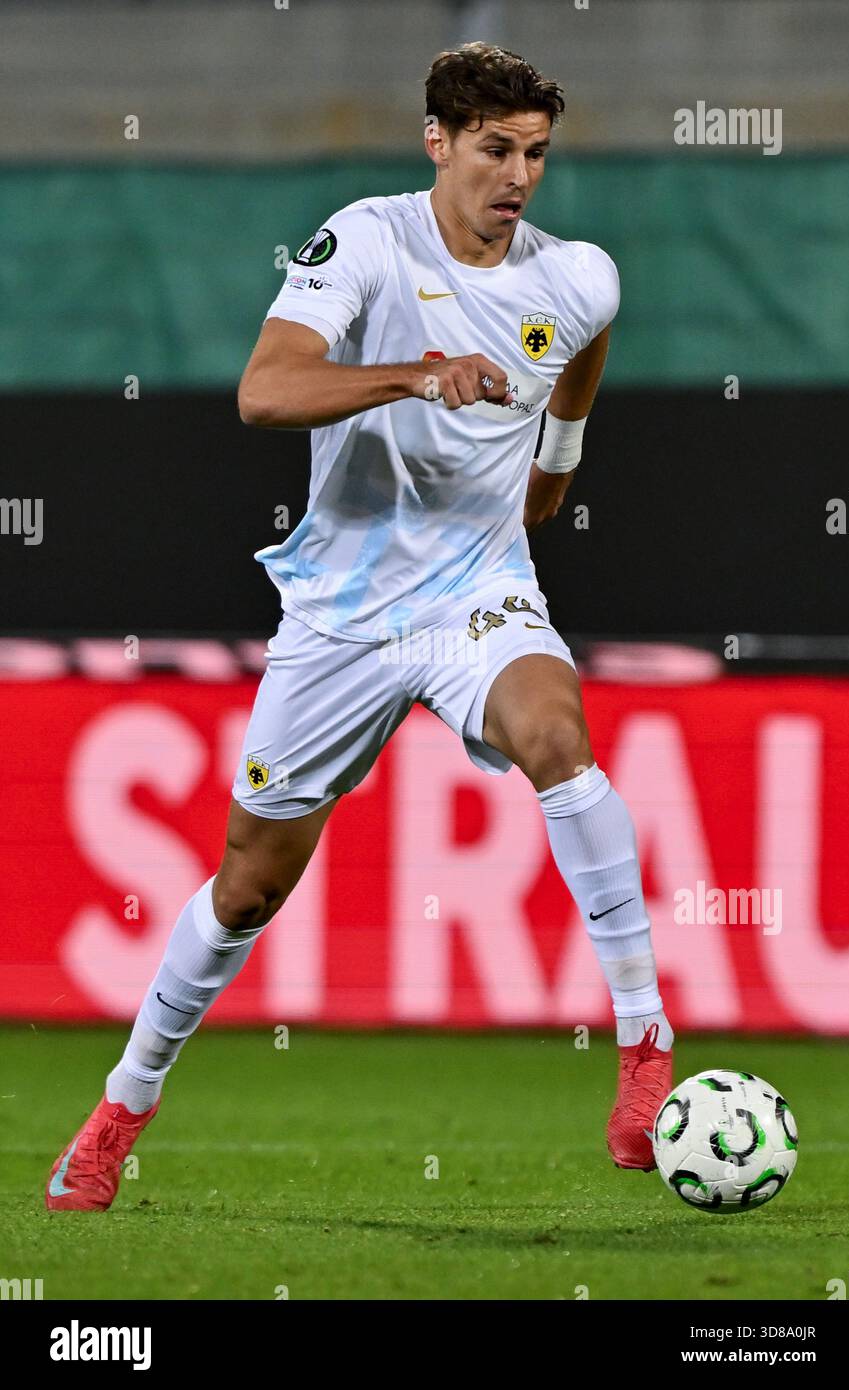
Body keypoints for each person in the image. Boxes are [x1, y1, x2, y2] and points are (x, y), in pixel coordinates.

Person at [46, 42, 673, 1213]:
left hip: (476, 589)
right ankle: (122, 1106)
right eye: (494, 149)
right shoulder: (367, 241)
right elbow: (263, 389)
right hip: (340, 615)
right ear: (436, 140)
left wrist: (560, 455)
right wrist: (414, 373)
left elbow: (583, 343)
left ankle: (643, 1047)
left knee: (556, 733)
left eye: (535, 153)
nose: (517, 176)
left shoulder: (576, 274)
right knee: (246, 886)